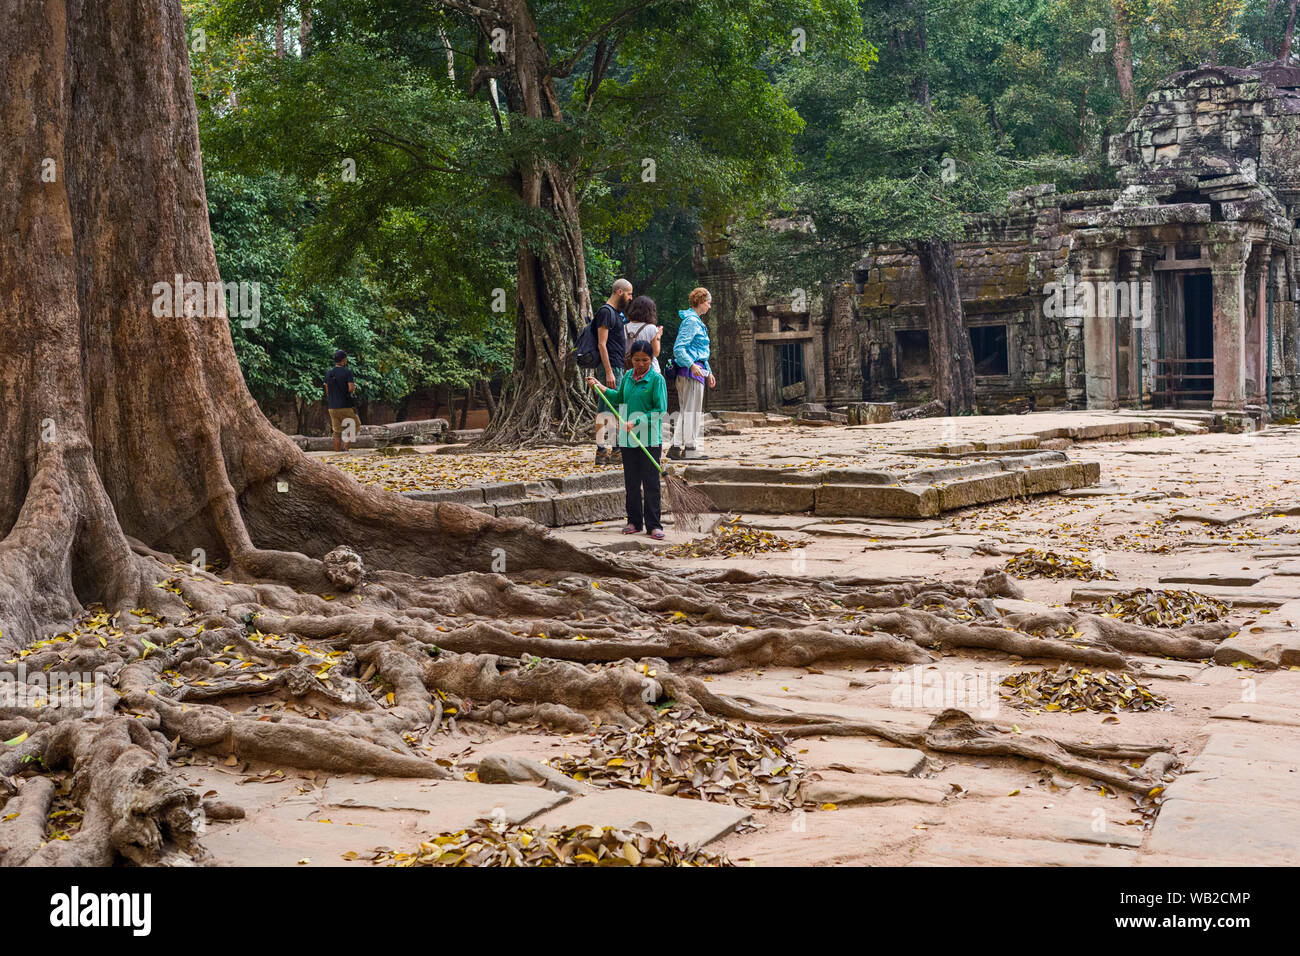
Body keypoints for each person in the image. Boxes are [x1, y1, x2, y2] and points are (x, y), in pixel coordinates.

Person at [586, 340, 668, 539]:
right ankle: (633, 522)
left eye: (645, 360)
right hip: (628, 440)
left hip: (649, 439)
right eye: (636, 359)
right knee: (631, 483)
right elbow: (619, 397)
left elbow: (660, 411)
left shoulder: (657, 380)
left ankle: (654, 525)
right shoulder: (628, 377)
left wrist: (636, 421)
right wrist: (601, 387)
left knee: (651, 483)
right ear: (630, 359)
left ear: (651, 359)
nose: (640, 364)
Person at [669, 287, 716, 460]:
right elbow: (679, 349)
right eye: (708, 303)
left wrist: (708, 372)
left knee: (689, 410)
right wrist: (691, 365)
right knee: (692, 410)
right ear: (701, 302)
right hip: (690, 372)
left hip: (696, 370)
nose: (709, 307)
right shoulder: (691, 322)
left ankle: (677, 447)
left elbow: (699, 351)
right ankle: (689, 448)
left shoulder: (695, 321)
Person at [593, 278, 633, 465]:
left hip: (618, 366)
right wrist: (608, 372)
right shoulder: (606, 312)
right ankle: (613, 449)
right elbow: (602, 344)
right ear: (619, 292)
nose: (631, 298)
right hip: (611, 368)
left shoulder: (616, 313)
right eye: (629, 293)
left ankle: (606, 450)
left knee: (607, 409)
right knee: (613, 409)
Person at [324, 349, 361, 452]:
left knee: (336, 431)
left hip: (332, 407)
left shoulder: (328, 373)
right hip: (345, 406)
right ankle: (345, 448)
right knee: (355, 425)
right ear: (344, 360)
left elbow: (327, 391)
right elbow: (351, 388)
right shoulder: (347, 372)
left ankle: (336, 453)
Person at [624, 295, 663, 374]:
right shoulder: (651, 328)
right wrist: (658, 335)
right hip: (651, 371)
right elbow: (655, 353)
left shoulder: (624, 327)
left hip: (630, 371)